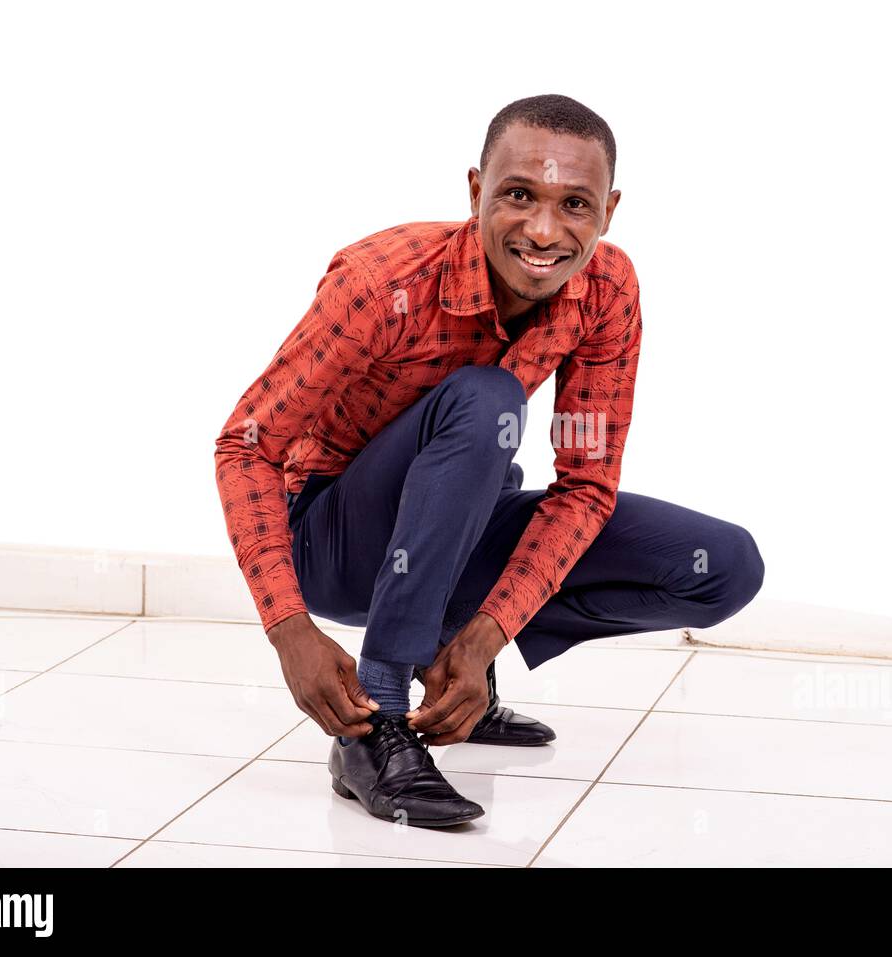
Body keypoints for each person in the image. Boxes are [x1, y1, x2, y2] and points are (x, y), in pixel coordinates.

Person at [213, 94, 764, 827]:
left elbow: (585, 486)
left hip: (448, 532)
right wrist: (289, 629)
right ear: (476, 191)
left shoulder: (605, 291)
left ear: (610, 209)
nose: (543, 230)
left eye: (575, 203)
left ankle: (451, 664)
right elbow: (246, 445)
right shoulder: (385, 283)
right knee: (488, 402)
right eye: (517, 195)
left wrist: (485, 634)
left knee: (722, 564)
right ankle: (376, 722)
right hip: (332, 538)